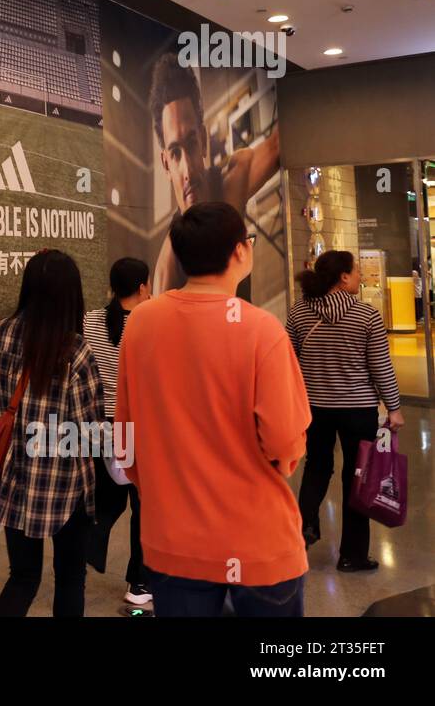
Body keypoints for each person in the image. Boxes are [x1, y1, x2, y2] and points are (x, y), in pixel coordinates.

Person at [116, 202, 311, 616]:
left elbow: (126, 437)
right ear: (241, 252)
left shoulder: (142, 323)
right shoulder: (262, 330)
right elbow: (285, 442)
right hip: (258, 542)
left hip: (171, 542)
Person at [0, 249, 100, 617]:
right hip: (67, 487)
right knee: (69, 579)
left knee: (23, 578)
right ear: (71, 296)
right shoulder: (77, 352)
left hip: (15, 481)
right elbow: (90, 434)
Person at [286, 250, 403, 572]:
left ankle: (304, 529)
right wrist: (393, 408)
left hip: (315, 408)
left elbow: (288, 364)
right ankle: (353, 555)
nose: (358, 276)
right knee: (358, 476)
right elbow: (380, 367)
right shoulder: (367, 315)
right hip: (358, 409)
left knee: (316, 468)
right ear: (343, 277)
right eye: (355, 271)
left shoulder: (298, 313)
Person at [147, 54, 280, 294]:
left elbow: (280, 144)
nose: (187, 169)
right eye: (175, 153)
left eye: (192, 143)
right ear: (165, 164)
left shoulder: (232, 182)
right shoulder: (170, 263)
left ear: (205, 142)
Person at [82, 257, 150, 605]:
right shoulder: (151, 323)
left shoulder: (89, 321)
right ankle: (138, 584)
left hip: (97, 426)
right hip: (137, 426)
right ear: (142, 287)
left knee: (104, 502)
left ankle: (79, 556)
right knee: (143, 507)